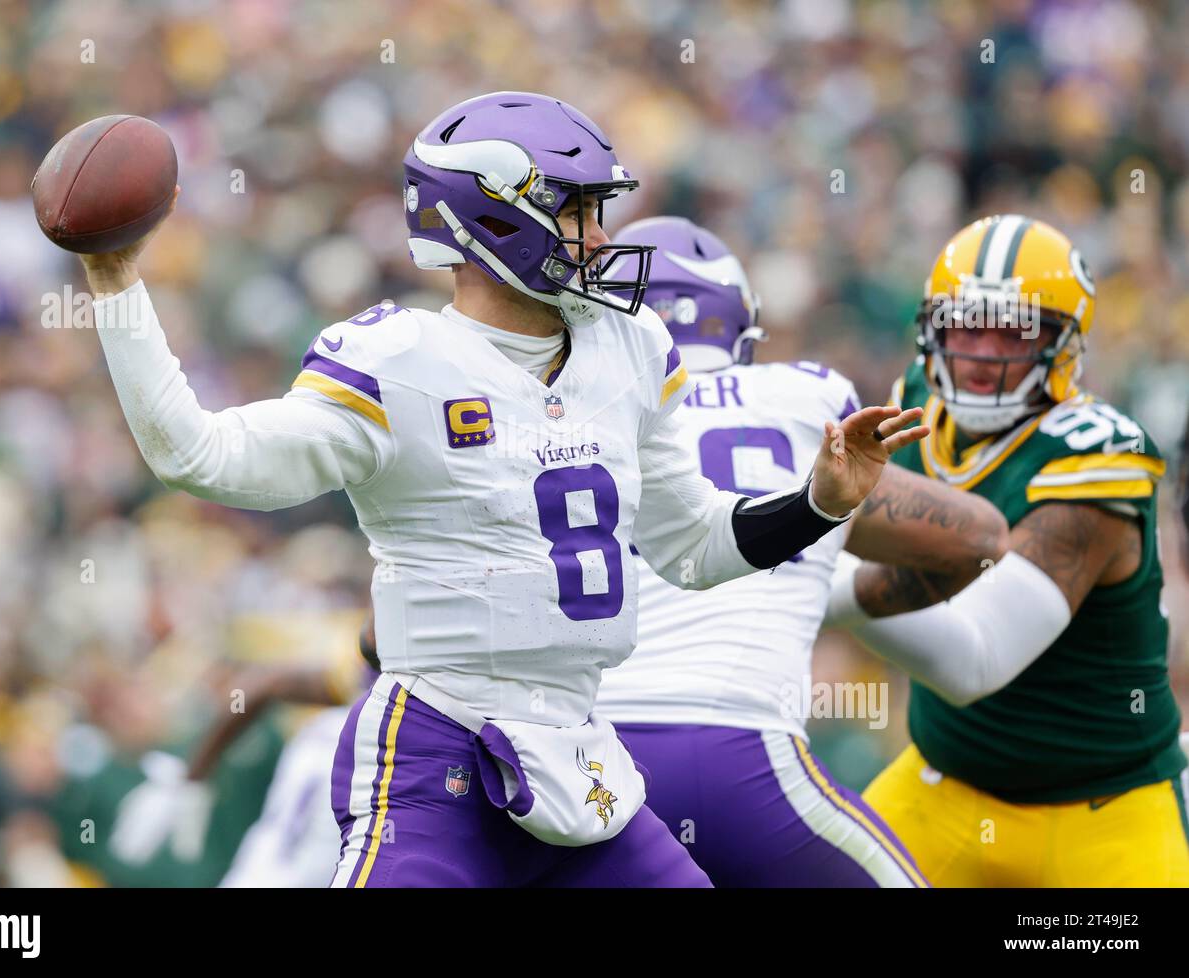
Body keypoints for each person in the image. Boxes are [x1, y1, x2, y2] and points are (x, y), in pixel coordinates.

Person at [80, 92, 925, 887]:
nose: (598, 237)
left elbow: (692, 548)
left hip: (582, 754)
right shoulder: (397, 361)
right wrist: (117, 282)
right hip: (435, 752)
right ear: (487, 214)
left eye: (598, 210)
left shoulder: (630, 347)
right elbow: (200, 456)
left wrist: (817, 503)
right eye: (573, 210)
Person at [591, 216, 1009, 887]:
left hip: (586, 770)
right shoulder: (799, 400)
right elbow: (979, 539)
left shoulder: (562, 414)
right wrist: (840, 597)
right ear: (735, 326)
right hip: (742, 761)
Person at [828, 215, 1188, 887]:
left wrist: (813, 592)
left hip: (1106, 813)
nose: (983, 352)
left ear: (1065, 344)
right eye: (966, 325)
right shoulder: (915, 402)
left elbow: (976, 657)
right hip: (945, 783)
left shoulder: (1098, 452)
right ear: (933, 329)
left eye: (1016, 329)